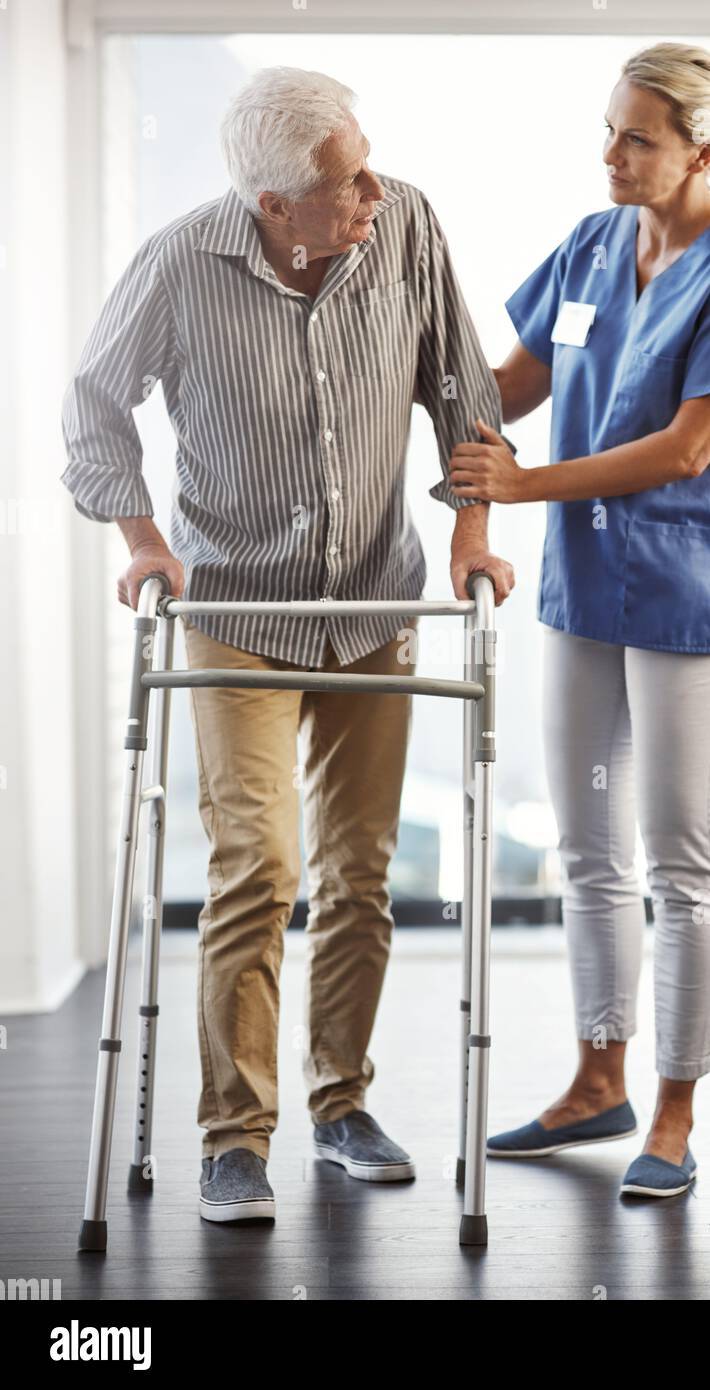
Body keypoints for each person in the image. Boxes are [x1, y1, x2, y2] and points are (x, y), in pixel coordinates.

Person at [60, 66, 514, 1224]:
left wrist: (469, 528)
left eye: (366, 160)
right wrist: (143, 539)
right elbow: (95, 405)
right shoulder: (178, 263)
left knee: (360, 875)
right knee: (256, 867)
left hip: (373, 605)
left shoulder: (402, 221)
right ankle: (233, 1138)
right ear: (273, 203)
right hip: (236, 617)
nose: (370, 187)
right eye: (341, 179)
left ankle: (343, 1102)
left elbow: (460, 384)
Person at [449, 42, 710, 1197]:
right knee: (587, 850)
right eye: (606, 131)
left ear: (701, 150)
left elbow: (691, 445)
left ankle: (675, 1114)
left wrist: (522, 487)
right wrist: (393, 385)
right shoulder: (592, 244)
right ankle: (599, 1080)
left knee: (680, 865)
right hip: (584, 586)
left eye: (635, 137)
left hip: (690, 594)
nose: (609, 154)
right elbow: (508, 383)